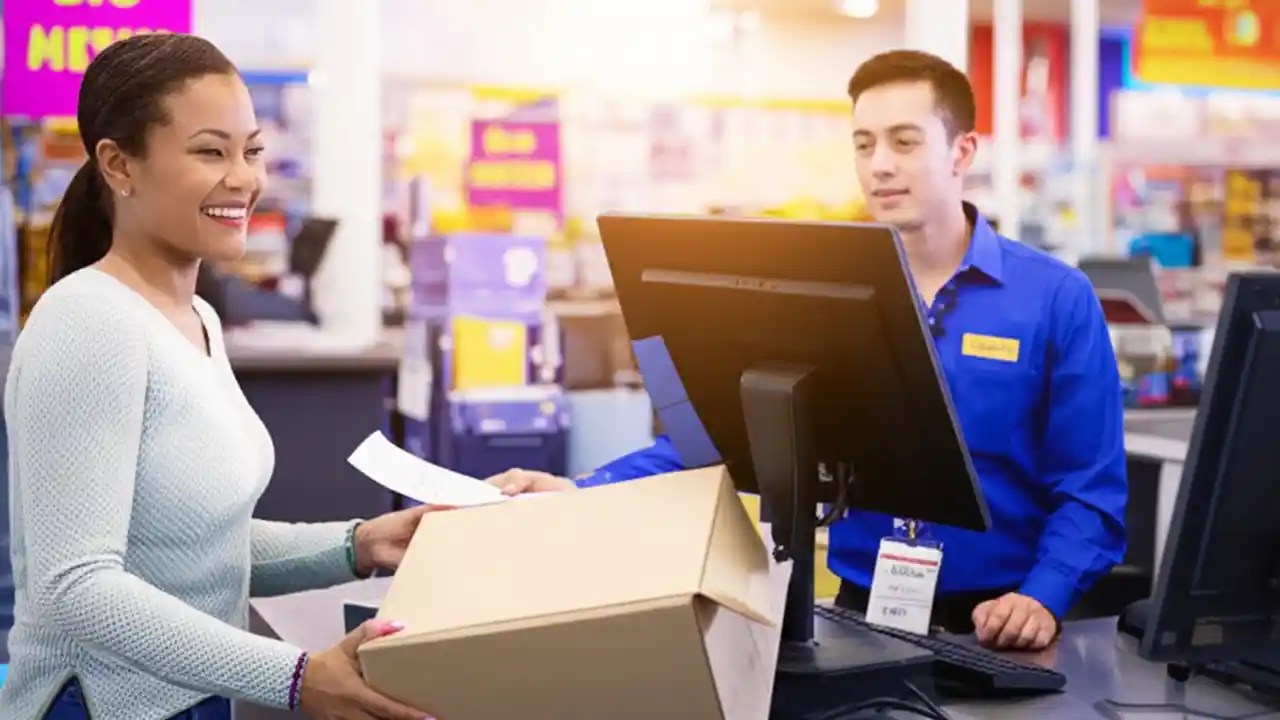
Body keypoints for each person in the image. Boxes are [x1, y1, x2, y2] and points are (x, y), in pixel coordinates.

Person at [493, 50, 1128, 652]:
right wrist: (585, 489)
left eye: (904, 142)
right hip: (860, 613)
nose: (879, 164)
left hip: (1001, 621)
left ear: (962, 150)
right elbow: (729, 429)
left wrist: (1040, 600)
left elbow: (1091, 491)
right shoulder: (823, 287)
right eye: (863, 143)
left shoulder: (1055, 298)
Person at [0, 34, 438, 720]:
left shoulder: (195, 315)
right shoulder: (88, 323)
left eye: (251, 150)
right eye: (211, 151)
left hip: (192, 701)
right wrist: (294, 676)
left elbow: (196, 547)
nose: (243, 177)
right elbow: (76, 586)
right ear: (119, 165)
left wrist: (358, 543)